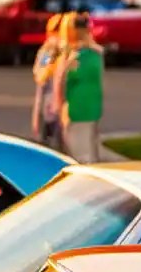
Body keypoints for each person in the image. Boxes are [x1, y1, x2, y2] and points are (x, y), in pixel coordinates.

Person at [51, 13, 104, 163]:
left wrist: (59, 108)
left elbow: (59, 83)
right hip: (92, 110)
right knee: (90, 154)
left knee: (80, 157)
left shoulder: (73, 58)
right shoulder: (96, 54)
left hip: (76, 111)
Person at [31, 14, 65, 148]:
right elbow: (40, 78)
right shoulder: (47, 53)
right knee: (47, 144)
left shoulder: (68, 52)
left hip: (62, 108)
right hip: (48, 107)